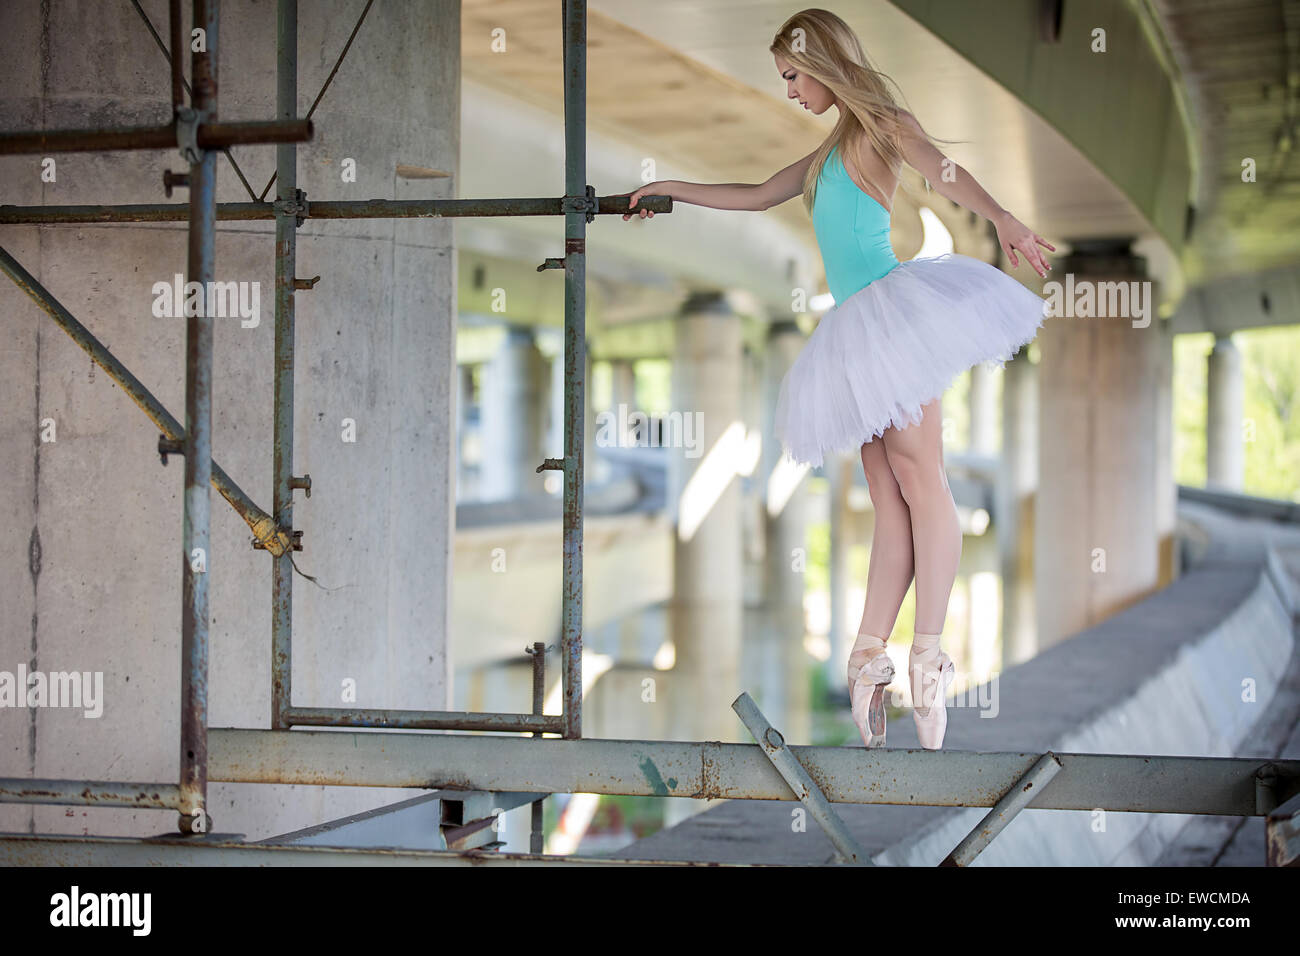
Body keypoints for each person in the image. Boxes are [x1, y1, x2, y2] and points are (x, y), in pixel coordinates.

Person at [619, 8, 1054, 751]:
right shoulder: (825, 156)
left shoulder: (880, 124)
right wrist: (672, 188)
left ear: (821, 64)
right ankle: (867, 652)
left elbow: (942, 172)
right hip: (859, 329)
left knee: (923, 483)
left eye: (792, 76)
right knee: (886, 490)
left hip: (892, 317)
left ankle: (928, 653)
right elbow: (757, 193)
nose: (789, 91)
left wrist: (1006, 220)